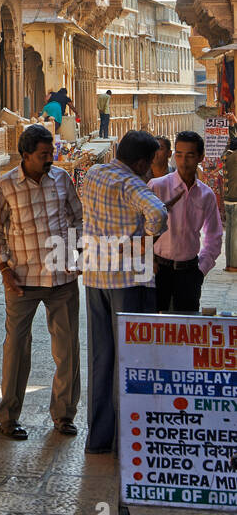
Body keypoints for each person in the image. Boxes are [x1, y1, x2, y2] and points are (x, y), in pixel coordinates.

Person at [81, 130, 181, 454]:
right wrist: (147, 238)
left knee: (100, 357)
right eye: (150, 162)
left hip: (96, 275)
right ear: (139, 162)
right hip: (128, 278)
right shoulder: (131, 183)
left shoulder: (95, 172)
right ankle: (128, 439)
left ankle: (98, 440)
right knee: (130, 359)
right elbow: (158, 214)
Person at [0, 124, 84, 440]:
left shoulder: (62, 179)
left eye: (51, 152)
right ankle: (8, 418)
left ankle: (65, 415)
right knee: (16, 350)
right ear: (26, 155)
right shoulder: (6, 185)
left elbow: (78, 218)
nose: (50, 159)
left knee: (67, 349)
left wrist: (77, 252)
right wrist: (3, 269)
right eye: (43, 154)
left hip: (61, 278)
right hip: (21, 280)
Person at [150, 131, 222, 313]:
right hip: (158, 270)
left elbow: (214, 236)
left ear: (200, 157)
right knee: (154, 329)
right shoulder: (157, 186)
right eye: (179, 155)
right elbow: (137, 227)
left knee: (186, 329)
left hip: (189, 272)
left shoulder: (206, 195)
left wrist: (201, 270)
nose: (183, 161)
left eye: (190, 155)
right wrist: (147, 261)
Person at [224, 138, 237, 271]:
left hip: (228, 199)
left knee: (229, 234)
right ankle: (234, 265)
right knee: (235, 235)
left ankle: (229, 263)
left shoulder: (227, 156)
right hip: (235, 200)